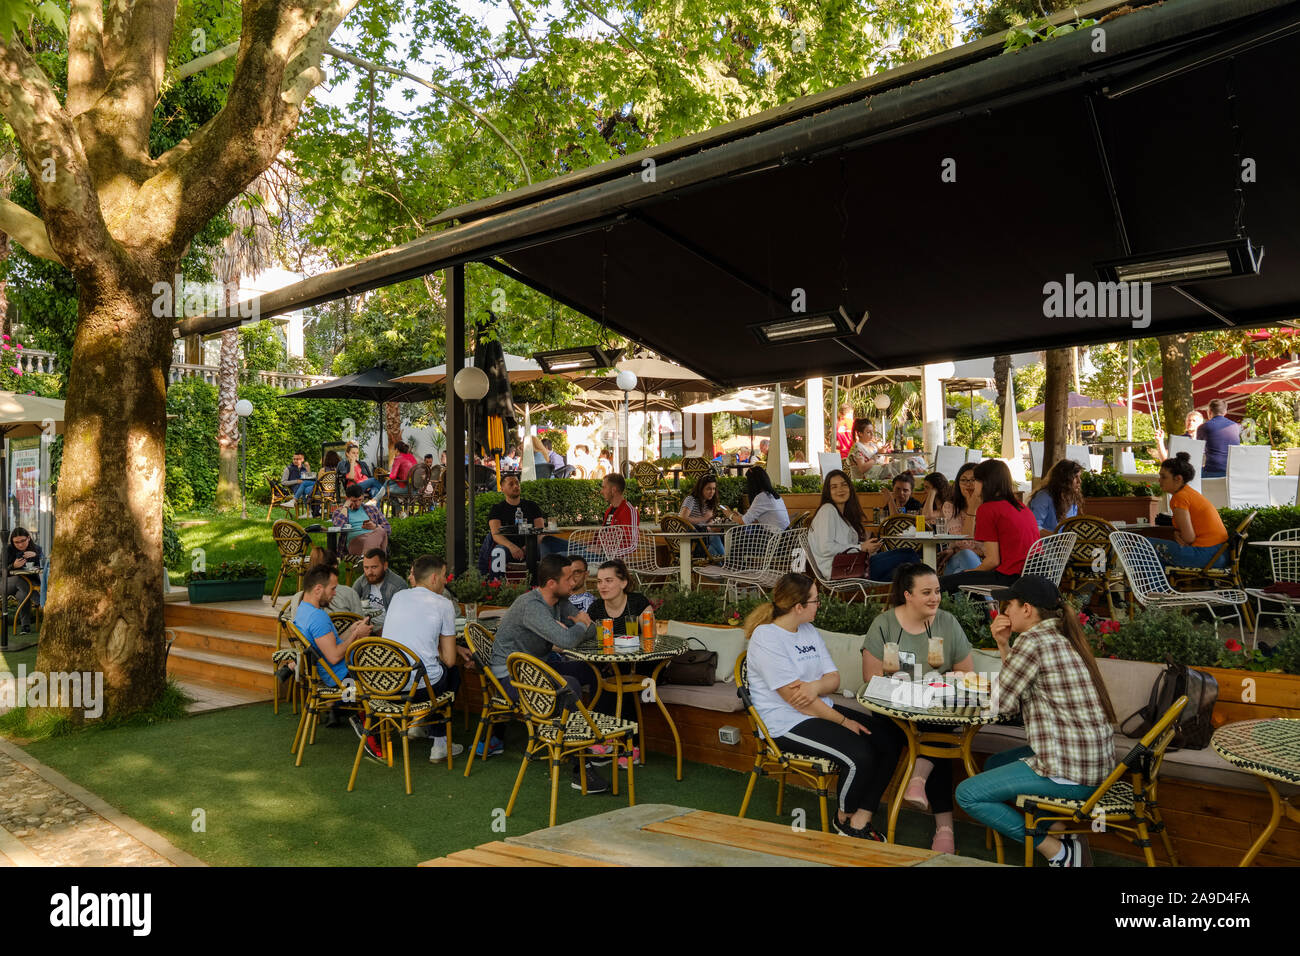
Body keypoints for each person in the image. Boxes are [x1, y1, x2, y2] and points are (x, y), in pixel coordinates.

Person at [955, 577, 1117, 867]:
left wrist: (955, 698)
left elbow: (1002, 705)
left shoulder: (1033, 641)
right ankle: (1061, 834)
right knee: (994, 764)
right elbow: (1017, 688)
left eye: (1010, 605)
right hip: (1092, 764)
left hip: (1072, 774)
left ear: (1027, 608)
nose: (1005, 611)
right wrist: (1004, 645)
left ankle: (1055, 849)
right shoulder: (1061, 635)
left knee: (967, 794)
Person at [745, 573, 900, 840]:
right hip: (784, 723)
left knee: (890, 739)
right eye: (816, 600)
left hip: (818, 708)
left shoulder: (808, 630)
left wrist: (814, 687)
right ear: (798, 607)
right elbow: (798, 703)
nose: (820, 605)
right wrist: (842, 721)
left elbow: (833, 678)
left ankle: (862, 814)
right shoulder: (766, 637)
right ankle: (844, 818)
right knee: (859, 756)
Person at [861, 563, 974, 853]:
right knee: (908, 743)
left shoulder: (947, 623)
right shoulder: (885, 624)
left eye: (937, 591)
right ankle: (943, 827)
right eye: (926, 592)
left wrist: (952, 679)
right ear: (908, 595)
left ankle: (919, 782)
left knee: (938, 732)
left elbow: (966, 674)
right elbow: (871, 678)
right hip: (893, 710)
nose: (935, 597)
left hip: (936, 712)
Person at [489, 554, 609, 793]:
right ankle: (580, 768)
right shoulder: (531, 606)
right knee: (570, 685)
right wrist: (578, 626)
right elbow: (567, 638)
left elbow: (591, 631)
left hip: (537, 668)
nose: (573, 583)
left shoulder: (560, 601)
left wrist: (578, 627)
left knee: (592, 672)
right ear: (551, 583)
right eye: (568, 578)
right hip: (511, 678)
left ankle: (590, 737)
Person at [292, 563, 380, 758]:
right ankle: (368, 725)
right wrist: (357, 635)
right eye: (332, 589)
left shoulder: (303, 611)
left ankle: (355, 713)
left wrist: (352, 631)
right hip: (345, 681)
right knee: (392, 675)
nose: (334, 594)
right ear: (318, 589)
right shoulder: (318, 618)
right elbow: (333, 655)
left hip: (330, 676)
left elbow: (329, 646)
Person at [382, 553, 463, 762]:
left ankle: (418, 724)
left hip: (386, 684)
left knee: (430, 671)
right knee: (451, 673)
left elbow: (416, 639)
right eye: (444, 576)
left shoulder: (398, 596)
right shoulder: (443, 604)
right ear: (435, 578)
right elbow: (450, 659)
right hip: (417, 689)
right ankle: (440, 743)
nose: (446, 581)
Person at [939, 459, 1039, 594]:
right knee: (959, 576)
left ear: (985, 482)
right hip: (1033, 572)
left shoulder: (988, 509)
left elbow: (992, 561)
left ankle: (981, 613)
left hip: (1009, 576)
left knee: (942, 583)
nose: (973, 485)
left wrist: (971, 572)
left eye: (976, 480)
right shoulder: (1020, 506)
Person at [808, 470, 919, 584]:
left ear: (850, 488)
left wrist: (867, 548)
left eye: (844, 485)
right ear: (828, 492)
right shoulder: (827, 510)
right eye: (834, 487)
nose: (840, 489)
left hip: (853, 565)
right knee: (908, 556)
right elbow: (825, 548)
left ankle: (910, 595)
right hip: (841, 570)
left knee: (903, 567)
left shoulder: (843, 514)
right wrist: (861, 548)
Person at [1154, 452, 1228, 568]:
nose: (1159, 480)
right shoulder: (1189, 493)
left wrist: (1177, 535)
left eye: (1163, 477)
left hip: (1206, 554)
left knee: (1143, 545)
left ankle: (1152, 585)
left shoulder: (1179, 498)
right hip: (1219, 553)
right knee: (1157, 550)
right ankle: (1163, 583)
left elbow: (1188, 538)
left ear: (1178, 479)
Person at [484, 473, 547, 579]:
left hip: (532, 547)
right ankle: (496, 587)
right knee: (498, 551)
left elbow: (540, 532)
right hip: (508, 548)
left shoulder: (532, 506)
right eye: (511, 484)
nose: (516, 486)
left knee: (548, 549)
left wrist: (527, 548)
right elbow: (496, 534)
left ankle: (542, 586)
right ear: (502, 488)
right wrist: (512, 548)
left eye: (517, 483)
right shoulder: (497, 509)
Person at [937, 463, 984, 575]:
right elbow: (963, 541)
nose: (968, 484)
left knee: (959, 572)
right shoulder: (950, 506)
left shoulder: (988, 506)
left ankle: (950, 590)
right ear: (958, 484)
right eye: (963, 480)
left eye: (973, 480)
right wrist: (972, 507)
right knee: (966, 554)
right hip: (963, 557)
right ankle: (984, 592)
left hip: (984, 562)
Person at [352, 547, 406, 633]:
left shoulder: (398, 586)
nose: (369, 572)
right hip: (363, 625)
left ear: (385, 566)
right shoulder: (363, 579)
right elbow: (351, 599)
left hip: (386, 630)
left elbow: (401, 620)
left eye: (374, 567)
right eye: (366, 567)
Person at [332, 483, 391, 557]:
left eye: (360, 500)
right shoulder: (339, 512)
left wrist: (375, 527)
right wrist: (345, 507)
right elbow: (338, 527)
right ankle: (378, 560)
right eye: (354, 501)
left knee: (379, 531)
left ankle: (364, 559)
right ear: (347, 499)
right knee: (378, 536)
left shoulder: (372, 509)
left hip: (374, 536)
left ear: (363, 497)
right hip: (355, 541)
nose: (357, 503)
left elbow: (388, 529)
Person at [1027, 459, 1082, 534]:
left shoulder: (1072, 497)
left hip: (1063, 544)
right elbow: (1033, 526)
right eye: (1075, 477)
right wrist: (1057, 538)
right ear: (1064, 478)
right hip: (1044, 544)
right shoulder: (1043, 497)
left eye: (1079, 477)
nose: (1080, 481)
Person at [679, 472, 726, 558]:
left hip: (704, 534)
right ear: (701, 489)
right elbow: (682, 518)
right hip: (690, 534)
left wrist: (713, 526)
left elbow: (708, 523)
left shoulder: (710, 502)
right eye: (708, 489)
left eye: (714, 489)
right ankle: (728, 562)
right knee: (713, 537)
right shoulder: (691, 499)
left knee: (714, 546)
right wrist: (704, 519)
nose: (712, 492)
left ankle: (721, 565)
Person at [5, 528, 42, 633]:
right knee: (18, 579)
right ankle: (40, 601)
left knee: (23, 594)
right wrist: (13, 566)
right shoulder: (8, 550)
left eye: (23, 541)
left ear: (28, 538)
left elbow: (43, 564)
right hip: (6, 584)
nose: (20, 545)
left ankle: (25, 627)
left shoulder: (37, 549)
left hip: (26, 585)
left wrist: (36, 556)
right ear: (12, 541)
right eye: (16, 542)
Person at [734, 465, 789, 531]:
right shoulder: (774, 495)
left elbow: (743, 522)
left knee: (737, 532)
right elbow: (753, 520)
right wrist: (740, 516)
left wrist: (729, 514)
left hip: (773, 538)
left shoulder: (761, 497)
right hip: (785, 536)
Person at [1196, 399, 1240, 479]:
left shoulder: (1204, 427)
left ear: (1209, 411)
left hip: (1212, 472)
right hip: (1232, 473)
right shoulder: (1236, 426)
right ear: (1225, 412)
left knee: (1190, 476)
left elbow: (1197, 452)